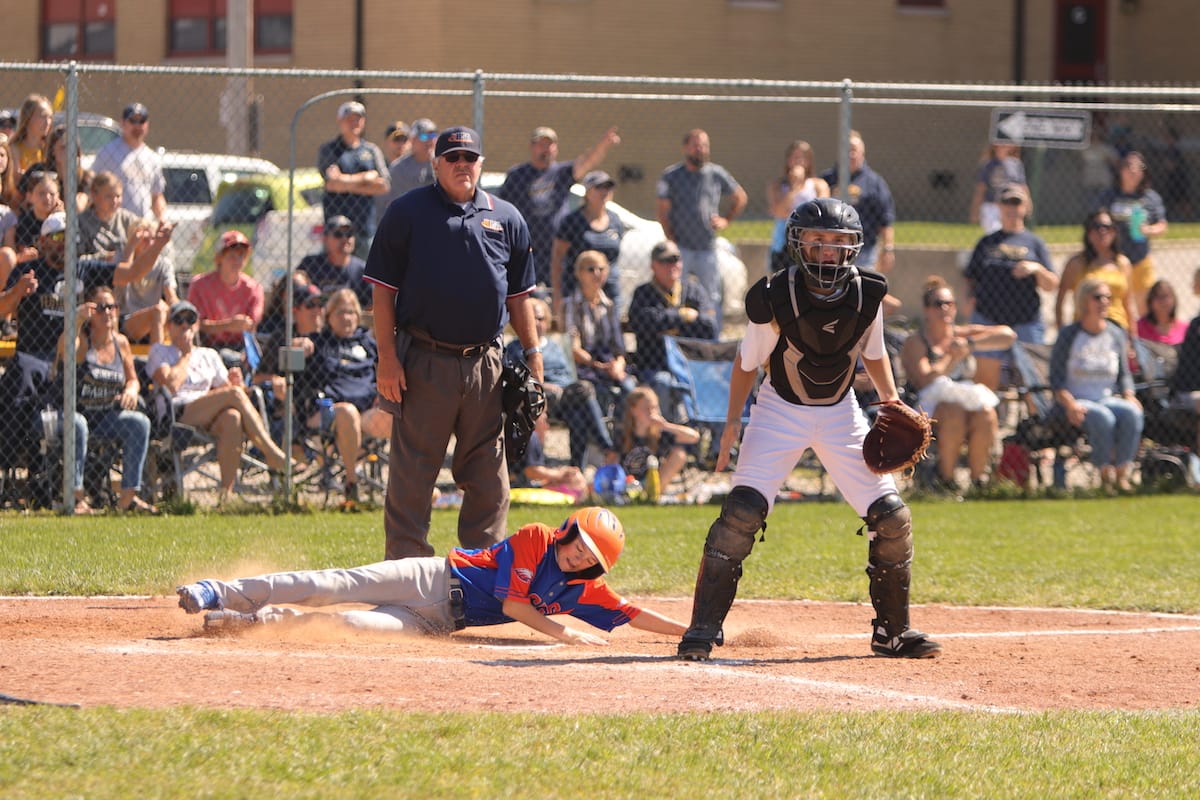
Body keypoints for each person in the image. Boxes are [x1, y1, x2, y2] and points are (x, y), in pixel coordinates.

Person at [676, 197, 941, 662]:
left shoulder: (866, 294)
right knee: (740, 514)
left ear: (852, 248)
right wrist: (732, 424)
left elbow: (873, 353)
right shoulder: (776, 295)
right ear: (799, 244)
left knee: (893, 519)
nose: (826, 251)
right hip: (779, 410)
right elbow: (745, 364)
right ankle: (702, 630)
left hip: (841, 413)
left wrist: (891, 401)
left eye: (836, 243)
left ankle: (892, 632)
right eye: (816, 241)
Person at [365, 125, 540, 560]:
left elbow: (520, 301)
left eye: (470, 158)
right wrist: (387, 358)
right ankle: (407, 575)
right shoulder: (407, 212)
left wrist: (535, 361)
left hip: (487, 363)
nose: (462, 164)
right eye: (453, 157)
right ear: (436, 163)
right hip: (425, 359)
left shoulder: (507, 217)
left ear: (481, 164)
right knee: (413, 476)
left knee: (489, 478)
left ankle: (481, 571)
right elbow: (382, 291)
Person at [176, 506, 687, 642]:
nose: (579, 555)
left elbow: (630, 614)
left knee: (351, 627)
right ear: (568, 531)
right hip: (431, 579)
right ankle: (217, 591)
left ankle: (252, 622)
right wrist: (565, 635)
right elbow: (513, 605)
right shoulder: (536, 538)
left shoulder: (585, 590)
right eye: (579, 542)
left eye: (590, 556)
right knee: (335, 584)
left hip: (437, 623)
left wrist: (691, 631)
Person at [147, 301, 291, 504]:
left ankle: (226, 496)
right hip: (176, 413)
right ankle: (270, 453)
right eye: (179, 320)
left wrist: (238, 384)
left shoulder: (208, 354)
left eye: (191, 320)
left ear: (197, 325)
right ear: (169, 326)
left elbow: (235, 393)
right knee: (233, 397)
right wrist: (186, 354)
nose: (185, 325)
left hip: (208, 413)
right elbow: (171, 386)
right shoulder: (160, 351)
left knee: (232, 417)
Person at [900, 276, 1016, 491]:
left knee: (985, 413)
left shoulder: (962, 334)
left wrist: (971, 344)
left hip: (965, 403)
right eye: (938, 304)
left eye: (949, 304)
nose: (945, 309)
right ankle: (946, 480)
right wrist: (951, 357)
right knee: (952, 411)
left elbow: (1008, 335)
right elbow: (925, 379)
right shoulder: (916, 342)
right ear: (926, 310)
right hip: (926, 408)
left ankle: (978, 482)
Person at [55, 284, 157, 514]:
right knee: (78, 424)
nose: (108, 312)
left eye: (112, 306)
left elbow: (133, 379)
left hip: (106, 415)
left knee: (139, 423)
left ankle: (128, 498)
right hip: (78, 413)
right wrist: (76, 320)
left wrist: (131, 390)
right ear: (91, 313)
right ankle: (77, 499)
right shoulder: (83, 340)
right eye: (101, 307)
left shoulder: (121, 343)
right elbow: (64, 349)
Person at [297, 288, 391, 507]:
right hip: (329, 412)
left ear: (358, 317)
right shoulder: (319, 342)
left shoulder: (367, 344)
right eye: (340, 312)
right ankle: (351, 483)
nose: (346, 317)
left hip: (368, 413)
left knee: (399, 413)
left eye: (351, 312)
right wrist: (300, 346)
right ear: (328, 317)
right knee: (348, 412)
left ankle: (410, 484)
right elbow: (294, 348)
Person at [1050, 278, 1144, 495]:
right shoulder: (1069, 335)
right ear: (1084, 301)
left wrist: (1129, 395)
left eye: (1108, 298)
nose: (1104, 302)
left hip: (1106, 397)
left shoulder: (1115, 333)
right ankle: (1104, 477)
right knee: (1103, 417)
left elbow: (1124, 375)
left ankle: (1122, 474)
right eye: (1098, 297)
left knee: (1132, 413)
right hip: (1076, 399)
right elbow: (1056, 379)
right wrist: (1070, 404)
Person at [498, 124, 622, 288]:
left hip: (557, 248)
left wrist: (603, 144)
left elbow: (586, 163)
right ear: (532, 147)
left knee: (556, 292)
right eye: (541, 144)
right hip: (525, 249)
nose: (546, 149)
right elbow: (502, 207)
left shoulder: (561, 173)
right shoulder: (517, 174)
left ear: (556, 148)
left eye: (550, 144)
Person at [963, 184, 1059, 391]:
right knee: (985, 383)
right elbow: (971, 277)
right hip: (989, 318)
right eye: (1007, 202)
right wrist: (969, 300)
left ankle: (1032, 421)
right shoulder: (987, 242)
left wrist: (1036, 269)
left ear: (1025, 207)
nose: (1011, 207)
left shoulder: (1035, 243)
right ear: (998, 206)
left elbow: (1051, 284)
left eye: (1017, 202)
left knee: (1033, 380)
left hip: (1026, 320)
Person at [504, 296, 617, 469]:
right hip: (534, 398)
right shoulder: (514, 348)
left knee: (578, 414)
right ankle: (606, 446)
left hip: (564, 397)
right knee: (583, 390)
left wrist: (562, 389)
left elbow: (567, 376)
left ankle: (575, 469)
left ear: (548, 322)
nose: (536, 322)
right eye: (531, 317)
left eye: (540, 318)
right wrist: (544, 386)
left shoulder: (555, 347)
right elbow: (514, 380)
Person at [656, 128, 747, 327]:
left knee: (711, 295)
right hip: (681, 247)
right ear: (685, 148)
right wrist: (670, 238)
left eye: (705, 145)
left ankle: (712, 334)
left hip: (707, 247)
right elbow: (662, 211)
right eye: (696, 145)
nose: (701, 150)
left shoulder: (715, 174)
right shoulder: (671, 176)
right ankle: (677, 335)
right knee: (676, 294)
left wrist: (726, 220)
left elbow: (740, 197)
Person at [1, 212, 111, 362]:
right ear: (42, 240)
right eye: (58, 237)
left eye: (70, 237)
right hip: (32, 356)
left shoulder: (85, 269)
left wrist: (154, 245)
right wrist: (17, 292)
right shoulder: (27, 270)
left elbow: (132, 272)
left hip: (71, 359)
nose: (65, 242)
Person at [626, 240, 718, 420]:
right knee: (663, 384)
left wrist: (665, 323)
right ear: (653, 265)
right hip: (655, 365)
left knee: (715, 385)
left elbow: (710, 326)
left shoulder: (694, 290)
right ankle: (669, 441)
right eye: (665, 261)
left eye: (676, 259)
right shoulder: (643, 293)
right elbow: (643, 322)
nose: (672, 265)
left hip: (690, 364)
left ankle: (705, 445)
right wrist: (683, 316)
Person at [563, 250, 635, 417]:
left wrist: (618, 365)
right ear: (579, 273)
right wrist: (599, 366)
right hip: (585, 367)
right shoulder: (571, 305)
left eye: (601, 269)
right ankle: (602, 441)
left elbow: (619, 348)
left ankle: (621, 438)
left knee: (630, 390)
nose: (597, 274)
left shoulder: (609, 306)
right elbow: (573, 349)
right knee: (600, 392)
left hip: (609, 365)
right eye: (590, 269)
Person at [1095, 151, 1167, 318]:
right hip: (1114, 260)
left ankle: (1143, 341)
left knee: (1145, 309)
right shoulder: (1109, 196)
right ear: (1121, 170)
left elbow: (1162, 225)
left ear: (1144, 172)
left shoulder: (1150, 198)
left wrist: (1149, 230)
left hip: (1141, 261)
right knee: (1113, 306)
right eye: (1128, 167)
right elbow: (1096, 221)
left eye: (1138, 168)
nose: (1133, 171)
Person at [549, 170, 625, 322]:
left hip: (609, 289)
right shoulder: (572, 221)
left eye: (608, 187)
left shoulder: (615, 220)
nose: (604, 192)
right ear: (588, 192)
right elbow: (557, 258)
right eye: (599, 187)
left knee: (611, 332)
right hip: (577, 290)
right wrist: (557, 294)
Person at [317, 101, 390, 258]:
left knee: (365, 275)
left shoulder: (371, 150)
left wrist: (345, 181)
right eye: (349, 119)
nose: (354, 123)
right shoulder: (329, 149)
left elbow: (384, 185)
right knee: (334, 274)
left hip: (364, 228)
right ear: (339, 121)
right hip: (336, 229)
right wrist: (366, 177)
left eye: (358, 118)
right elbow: (331, 184)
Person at [820, 130, 896, 274]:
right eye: (846, 150)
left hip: (864, 249)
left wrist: (887, 249)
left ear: (862, 153)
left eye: (854, 150)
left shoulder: (874, 183)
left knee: (861, 288)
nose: (851, 154)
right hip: (829, 250)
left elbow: (886, 219)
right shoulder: (826, 180)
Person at [187, 229, 264, 352]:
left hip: (242, 348)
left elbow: (251, 325)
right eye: (232, 256)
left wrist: (242, 325)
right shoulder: (200, 284)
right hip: (207, 346)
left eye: (242, 256)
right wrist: (228, 325)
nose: (238, 261)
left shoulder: (254, 288)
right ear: (219, 258)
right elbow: (196, 324)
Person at [90, 103, 166, 221]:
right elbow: (92, 185)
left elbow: (157, 196)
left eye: (142, 121)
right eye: (132, 121)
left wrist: (162, 220)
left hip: (143, 224)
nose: (137, 126)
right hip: (116, 223)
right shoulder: (108, 152)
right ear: (122, 123)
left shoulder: (152, 157)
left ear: (147, 124)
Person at [619, 386, 698, 496]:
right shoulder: (621, 433)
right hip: (625, 482)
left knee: (679, 454)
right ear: (634, 410)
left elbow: (694, 437)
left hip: (651, 482)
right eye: (646, 408)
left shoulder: (659, 432)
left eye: (654, 408)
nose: (652, 413)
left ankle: (652, 496)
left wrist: (666, 426)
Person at [111, 217, 178, 345]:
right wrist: (130, 248)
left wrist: (180, 310)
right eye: (144, 239)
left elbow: (171, 296)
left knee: (166, 308)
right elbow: (122, 283)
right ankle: (157, 359)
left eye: (152, 239)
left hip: (157, 318)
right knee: (158, 311)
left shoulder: (163, 264)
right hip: (128, 320)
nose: (149, 243)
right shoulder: (122, 259)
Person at [767, 140, 830, 273]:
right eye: (795, 157)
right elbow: (779, 212)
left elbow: (823, 212)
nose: (798, 161)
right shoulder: (777, 186)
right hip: (783, 245)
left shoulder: (818, 185)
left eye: (803, 158)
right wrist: (794, 187)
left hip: (811, 244)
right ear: (788, 160)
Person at [296, 214, 371, 311]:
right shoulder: (310, 265)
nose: (345, 239)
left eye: (349, 234)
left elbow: (371, 305)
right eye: (338, 234)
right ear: (325, 239)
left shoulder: (361, 269)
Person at [511, 413, 591, 502]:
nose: (547, 426)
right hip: (515, 485)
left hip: (524, 484)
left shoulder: (524, 434)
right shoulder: (531, 436)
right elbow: (532, 471)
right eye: (544, 420)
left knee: (575, 479)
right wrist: (559, 475)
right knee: (575, 481)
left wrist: (559, 474)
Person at [969, 143, 1029, 234]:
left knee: (1012, 231)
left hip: (1010, 204)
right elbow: (981, 189)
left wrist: (1028, 204)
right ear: (994, 145)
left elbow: (1022, 186)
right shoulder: (988, 164)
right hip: (991, 205)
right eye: (1001, 142)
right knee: (993, 232)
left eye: (1007, 142)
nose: (1004, 145)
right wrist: (975, 209)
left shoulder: (1016, 164)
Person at [382, 118, 438, 211]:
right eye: (423, 136)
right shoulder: (399, 169)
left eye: (432, 136)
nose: (429, 141)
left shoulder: (443, 164)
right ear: (413, 140)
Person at [7, 94, 53, 176]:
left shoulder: (50, 149)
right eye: (43, 116)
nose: (48, 122)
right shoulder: (14, 148)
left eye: (50, 117)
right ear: (28, 117)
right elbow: (16, 178)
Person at [1136, 279, 1187, 346]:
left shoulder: (1185, 329)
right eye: (1158, 296)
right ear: (1151, 301)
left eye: (1166, 296)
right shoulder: (1139, 327)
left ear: (1174, 300)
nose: (1162, 301)